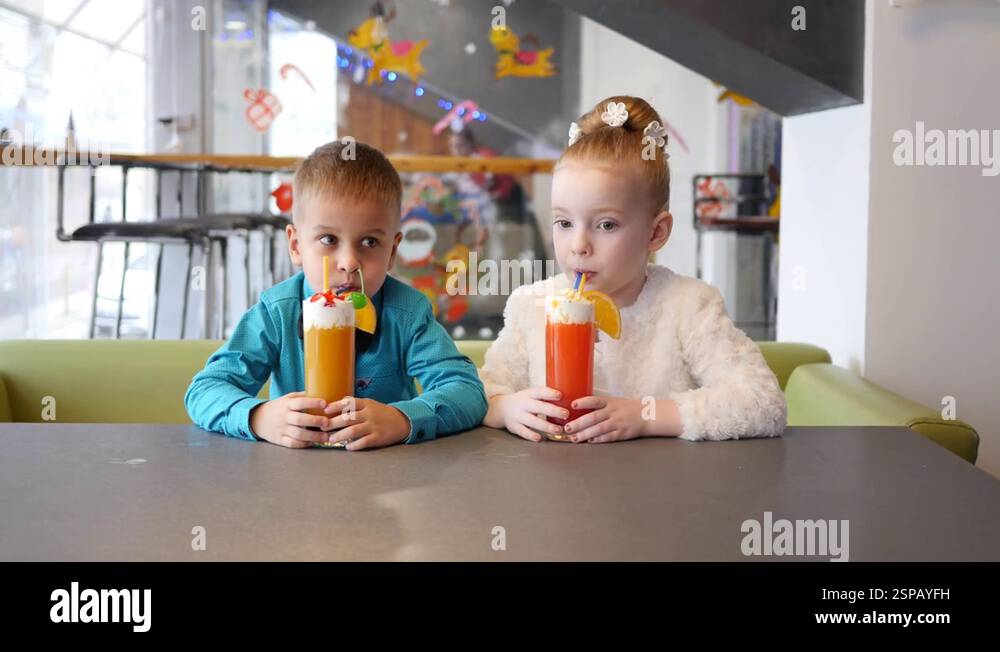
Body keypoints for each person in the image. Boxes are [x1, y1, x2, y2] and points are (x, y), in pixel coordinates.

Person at [479, 96, 786, 444]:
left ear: (656, 232)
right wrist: (504, 408)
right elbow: (480, 391)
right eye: (564, 222)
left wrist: (646, 415)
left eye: (606, 225)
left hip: (658, 490)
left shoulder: (687, 306)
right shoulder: (531, 305)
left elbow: (762, 402)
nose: (579, 244)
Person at [185, 140, 487, 450]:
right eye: (328, 239)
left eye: (369, 242)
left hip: (392, 474)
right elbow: (205, 390)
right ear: (296, 245)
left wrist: (402, 419)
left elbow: (466, 390)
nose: (349, 262)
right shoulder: (277, 313)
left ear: (392, 251)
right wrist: (258, 417)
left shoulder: (408, 314)